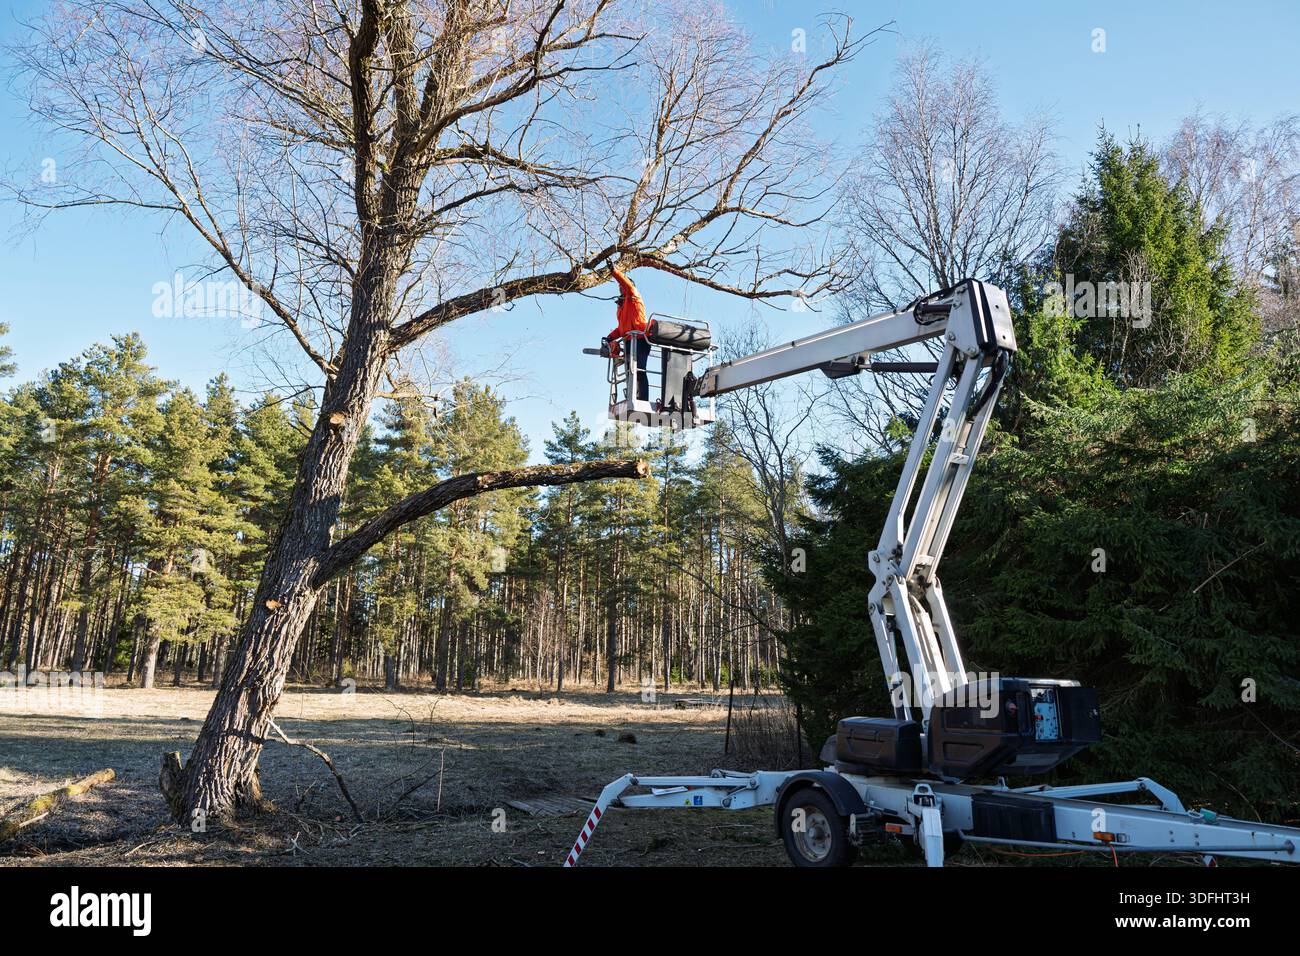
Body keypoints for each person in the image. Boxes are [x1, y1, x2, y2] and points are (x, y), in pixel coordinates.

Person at [605, 266, 651, 401]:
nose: (620, 289)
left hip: (641, 339)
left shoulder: (634, 297)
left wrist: (614, 271)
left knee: (639, 369)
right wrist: (610, 337)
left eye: (622, 286)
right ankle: (633, 396)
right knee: (629, 372)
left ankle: (643, 399)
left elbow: (627, 285)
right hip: (629, 341)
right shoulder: (622, 306)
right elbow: (621, 328)